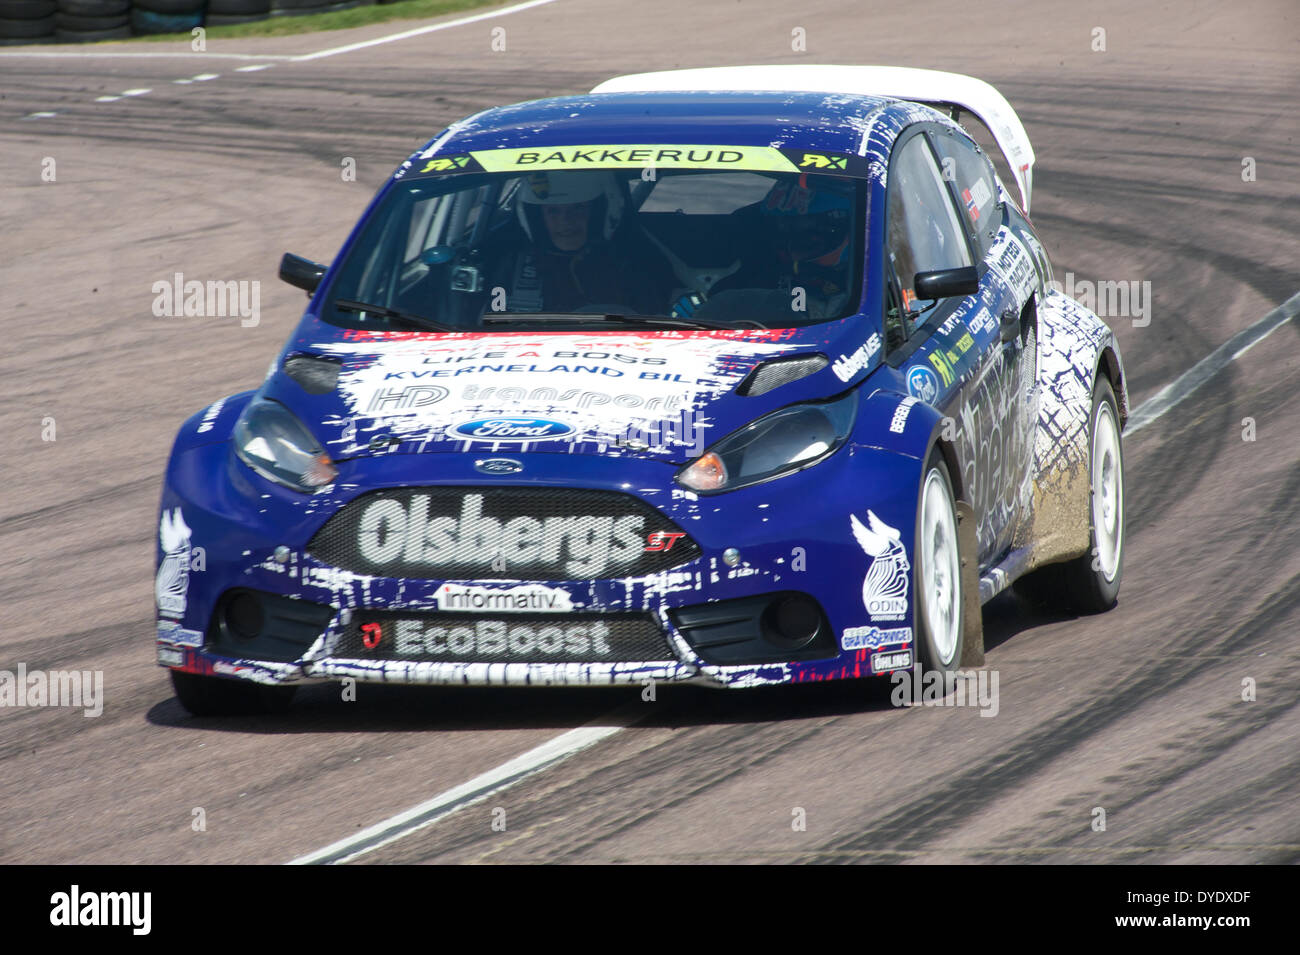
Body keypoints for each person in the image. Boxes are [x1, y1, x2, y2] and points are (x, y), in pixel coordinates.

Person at [489, 170, 678, 316]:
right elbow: (485, 325)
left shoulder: (633, 266)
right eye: (553, 212)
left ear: (599, 213)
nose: (566, 221)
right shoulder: (512, 268)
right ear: (537, 219)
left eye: (578, 208)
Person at [698, 174, 856, 320]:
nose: (793, 254)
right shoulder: (748, 285)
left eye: (806, 242)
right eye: (784, 237)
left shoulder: (868, 289)